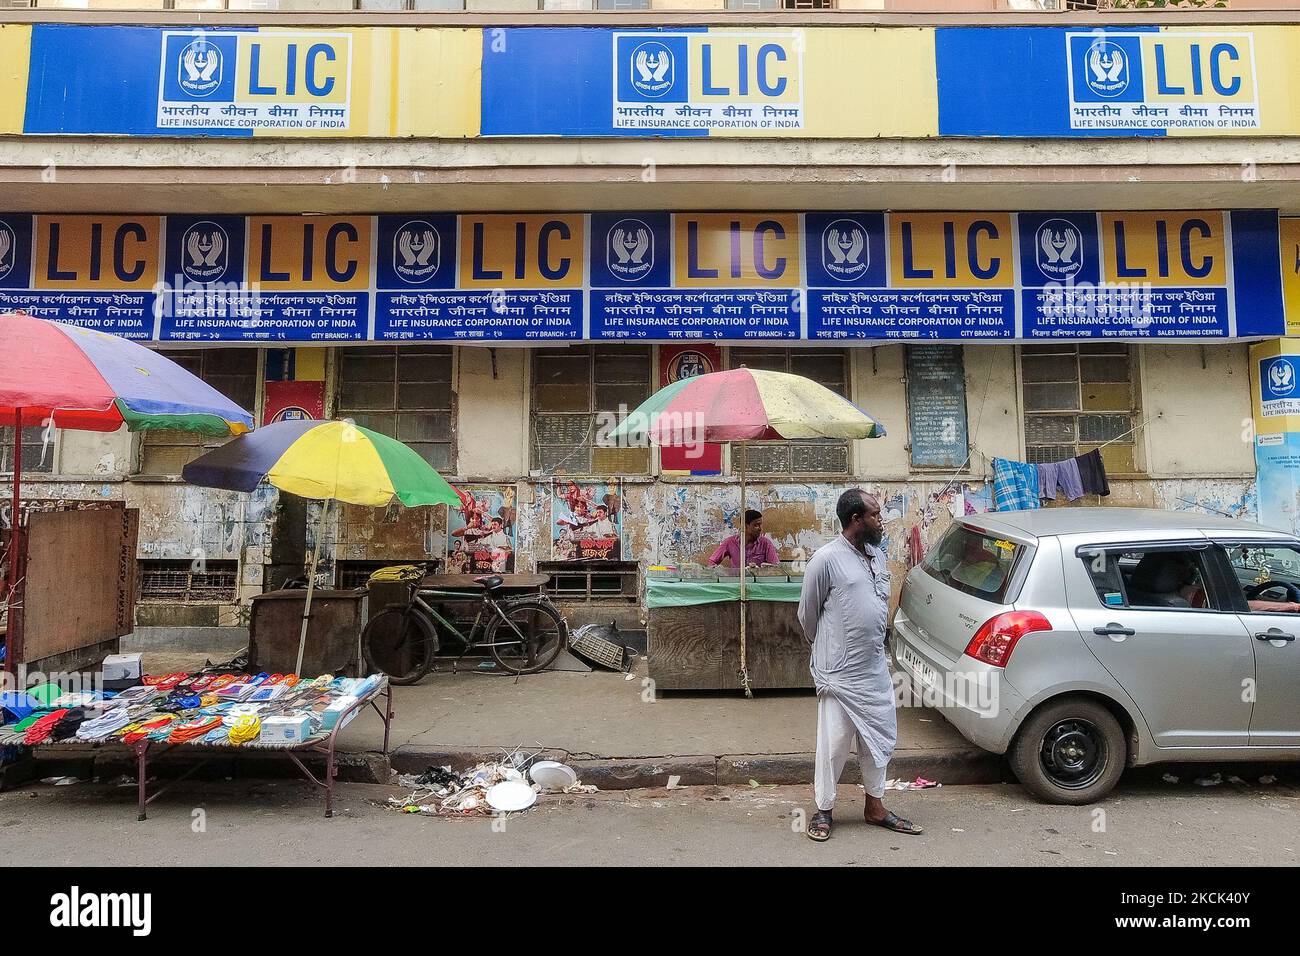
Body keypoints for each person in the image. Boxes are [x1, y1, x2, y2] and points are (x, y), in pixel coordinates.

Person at [797, 489, 922, 843]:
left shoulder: (877, 556)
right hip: (838, 673)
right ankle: (824, 810)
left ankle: (875, 807)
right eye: (876, 515)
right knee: (834, 744)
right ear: (856, 520)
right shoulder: (825, 560)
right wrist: (828, 649)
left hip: (873, 669)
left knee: (877, 740)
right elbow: (807, 616)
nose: (881, 521)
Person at [708, 509, 779, 571]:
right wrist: (720, 572)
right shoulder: (730, 542)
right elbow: (712, 561)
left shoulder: (766, 543)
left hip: (758, 583)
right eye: (756, 525)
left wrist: (763, 570)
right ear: (745, 526)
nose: (760, 529)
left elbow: (775, 566)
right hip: (737, 582)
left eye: (761, 525)